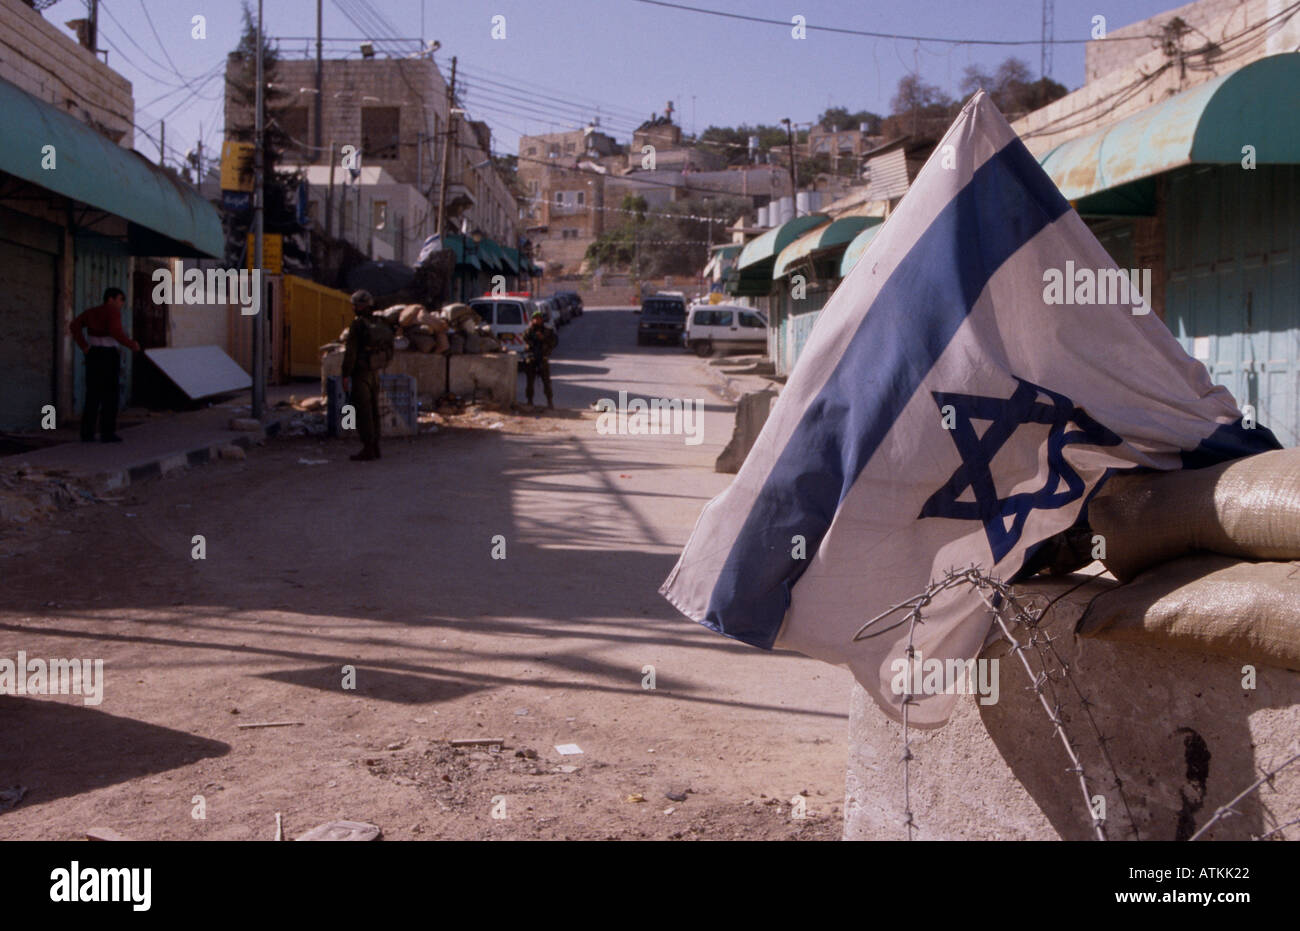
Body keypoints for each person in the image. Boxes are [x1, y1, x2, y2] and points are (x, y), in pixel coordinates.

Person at [69, 287, 140, 443]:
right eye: (121, 299)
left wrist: (85, 346)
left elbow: (74, 325)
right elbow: (116, 332)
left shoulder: (91, 312)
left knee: (92, 394)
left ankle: (87, 433)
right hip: (108, 356)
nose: (122, 303)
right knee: (110, 395)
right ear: (111, 299)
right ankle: (107, 433)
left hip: (93, 354)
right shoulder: (112, 312)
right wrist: (131, 344)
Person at [341, 290, 383, 461]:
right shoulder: (377, 322)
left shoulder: (358, 324)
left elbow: (350, 353)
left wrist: (345, 375)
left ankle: (368, 448)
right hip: (374, 372)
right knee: (374, 410)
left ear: (359, 306)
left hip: (361, 374)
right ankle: (376, 446)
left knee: (363, 411)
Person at [523, 309, 558, 409]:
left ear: (542, 320)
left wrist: (543, 338)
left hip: (543, 359)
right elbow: (525, 340)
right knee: (530, 382)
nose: (537, 321)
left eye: (539, 319)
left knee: (546, 382)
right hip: (532, 359)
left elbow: (554, 342)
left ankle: (549, 401)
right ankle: (529, 401)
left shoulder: (548, 331)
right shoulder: (529, 331)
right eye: (535, 319)